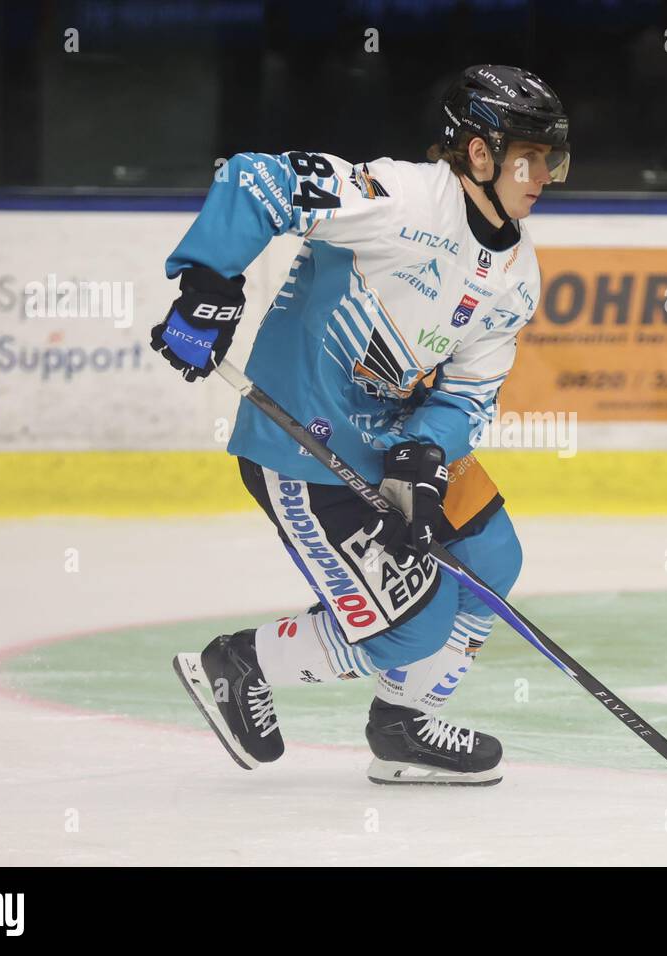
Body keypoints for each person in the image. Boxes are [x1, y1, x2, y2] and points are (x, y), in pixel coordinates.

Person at [154, 64, 569, 786]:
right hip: (304, 450)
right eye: (532, 155)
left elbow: (470, 393)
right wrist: (210, 283)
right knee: (415, 625)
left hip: (394, 442)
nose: (545, 174)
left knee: (493, 562)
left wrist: (427, 454)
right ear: (479, 153)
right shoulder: (397, 198)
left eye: (553, 157)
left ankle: (402, 724)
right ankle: (240, 662)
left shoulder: (518, 272)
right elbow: (260, 180)